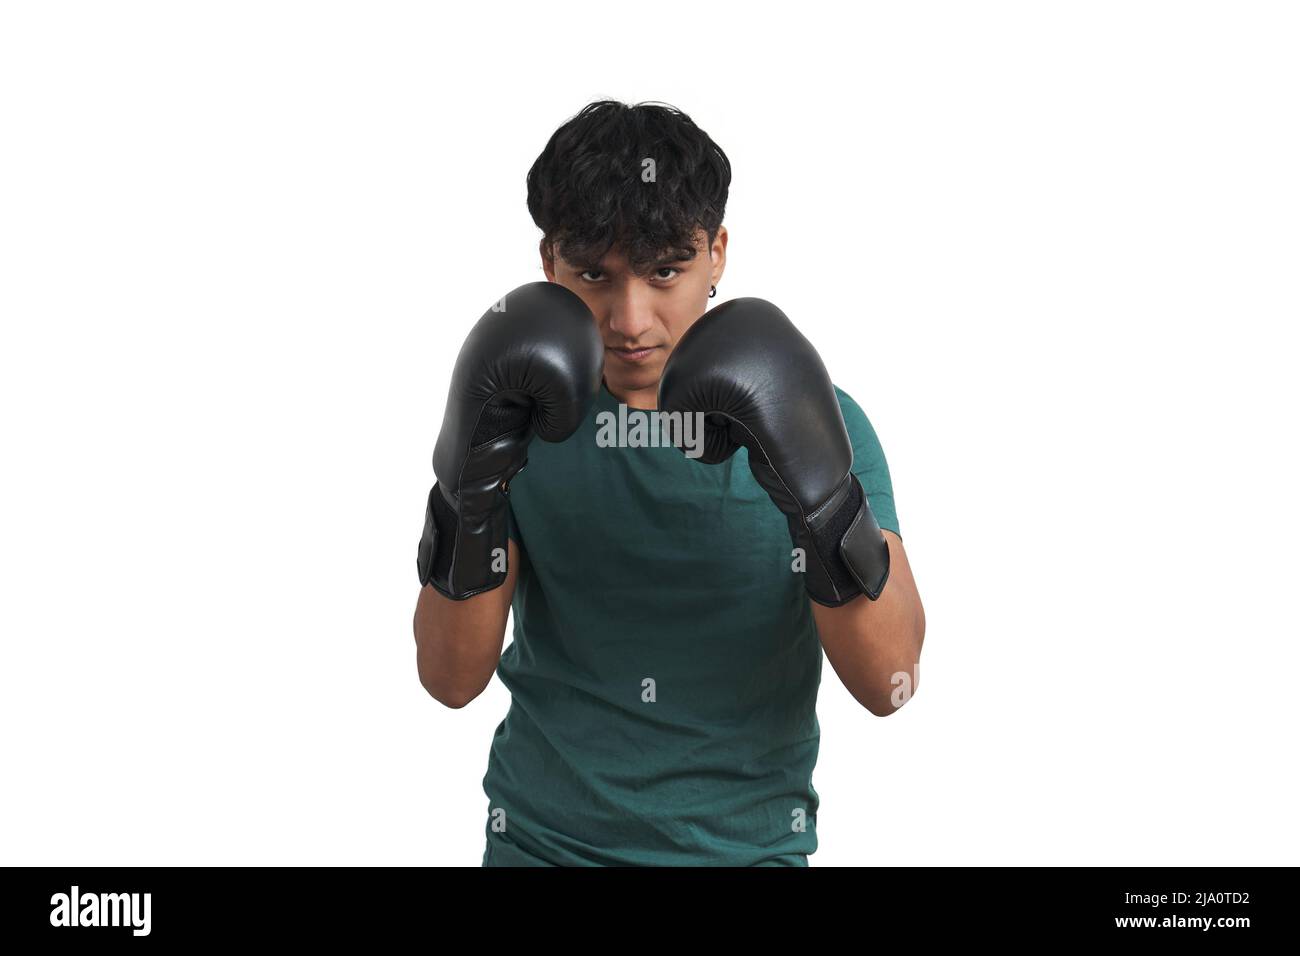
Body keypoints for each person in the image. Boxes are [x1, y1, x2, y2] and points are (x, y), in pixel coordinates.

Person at [413, 100, 926, 866]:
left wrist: (819, 496)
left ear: (717, 252)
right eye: (595, 274)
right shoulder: (519, 424)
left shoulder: (822, 418)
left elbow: (890, 679)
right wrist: (468, 486)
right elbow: (451, 681)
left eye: (665, 271)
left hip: (748, 854)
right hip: (541, 846)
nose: (630, 318)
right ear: (549, 263)